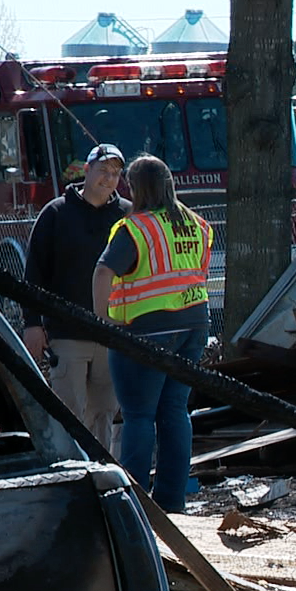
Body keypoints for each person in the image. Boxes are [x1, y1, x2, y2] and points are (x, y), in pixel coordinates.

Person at [92, 154, 213, 513]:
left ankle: (138, 507)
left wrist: (101, 320)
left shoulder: (136, 228)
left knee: (139, 416)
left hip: (145, 331)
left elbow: (103, 271)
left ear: (137, 188)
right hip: (194, 325)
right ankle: (172, 503)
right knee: (175, 411)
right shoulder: (196, 224)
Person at [23, 143, 130, 452]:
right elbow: (34, 273)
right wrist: (32, 324)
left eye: (115, 174)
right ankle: (71, 472)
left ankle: (102, 474)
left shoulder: (127, 214)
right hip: (67, 336)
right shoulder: (56, 213)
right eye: (103, 171)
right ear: (87, 170)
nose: (109, 179)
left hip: (112, 336)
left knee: (104, 415)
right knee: (68, 416)